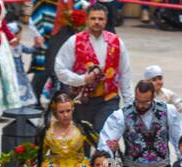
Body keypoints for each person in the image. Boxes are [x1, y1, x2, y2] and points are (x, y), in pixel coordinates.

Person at [54, 2, 133, 131]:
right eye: (93, 18)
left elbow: (125, 74)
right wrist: (81, 79)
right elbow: (60, 69)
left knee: (104, 137)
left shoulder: (117, 42)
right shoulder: (74, 41)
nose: (97, 22)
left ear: (106, 21)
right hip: (80, 100)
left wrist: (130, 104)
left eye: (100, 19)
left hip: (108, 100)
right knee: (81, 141)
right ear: (86, 20)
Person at [0, 0, 39, 117]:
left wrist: (11, 37)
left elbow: (2, 23)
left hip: (1, 43)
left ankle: (6, 107)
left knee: (6, 72)